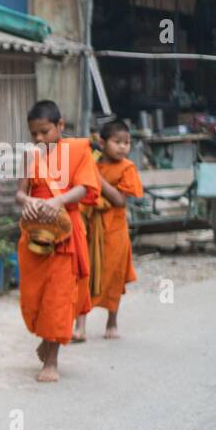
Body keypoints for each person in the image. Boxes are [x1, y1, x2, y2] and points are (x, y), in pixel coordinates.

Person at [17, 100, 100, 382]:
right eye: (34, 134)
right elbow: (20, 193)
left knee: (58, 297)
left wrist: (57, 201)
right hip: (35, 231)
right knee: (34, 295)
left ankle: (51, 360)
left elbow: (85, 188)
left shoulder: (77, 151)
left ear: (60, 126)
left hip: (66, 231)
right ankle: (45, 338)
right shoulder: (31, 156)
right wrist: (28, 201)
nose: (39, 139)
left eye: (45, 132)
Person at [74, 119, 142, 340]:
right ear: (102, 143)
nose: (123, 147)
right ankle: (80, 326)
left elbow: (120, 201)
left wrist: (98, 179)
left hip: (114, 231)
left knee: (114, 275)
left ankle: (112, 320)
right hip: (90, 227)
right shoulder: (93, 162)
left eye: (127, 142)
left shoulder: (127, 168)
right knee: (83, 272)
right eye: (117, 142)